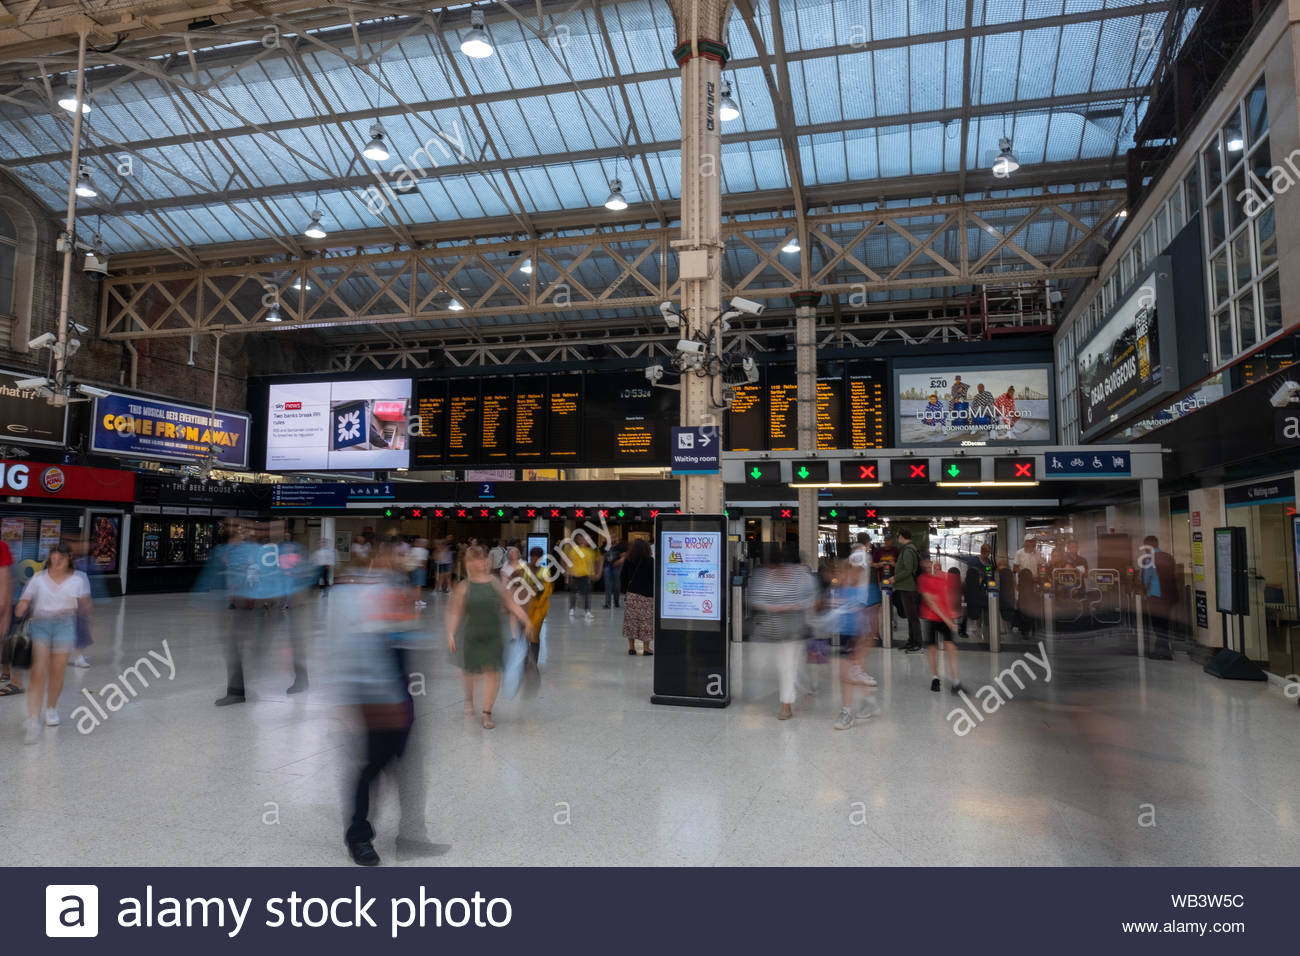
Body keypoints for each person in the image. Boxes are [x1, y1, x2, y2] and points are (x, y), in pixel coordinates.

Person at [330, 540, 431, 866]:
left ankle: (410, 835)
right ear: (378, 559)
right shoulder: (351, 594)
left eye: (401, 557)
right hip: (372, 693)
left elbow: (407, 638)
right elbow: (340, 645)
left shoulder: (398, 591)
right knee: (372, 766)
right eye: (393, 556)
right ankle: (358, 835)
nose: (399, 562)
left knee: (407, 766)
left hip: (400, 692)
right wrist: (343, 696)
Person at [446, 545, 531, 730]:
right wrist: (451, 633)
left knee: (493, 672)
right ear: (469, 562)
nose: (482, 562)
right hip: (472, 636)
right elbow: (456, 612)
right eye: (477, 559)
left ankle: (487, 713)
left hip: (493, 636)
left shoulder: (494, 582)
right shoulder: (464, 586)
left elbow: (510, 603)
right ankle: (469, 698)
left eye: (484, 558)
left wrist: (526, 619)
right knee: (470, 673)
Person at [15, 543, 91, 743]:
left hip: (65, 625)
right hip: (41, 625)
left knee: (57, 671)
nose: (55, 564)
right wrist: (21, 607)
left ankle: (51, 708)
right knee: (38, 671)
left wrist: (83, 616)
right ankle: (33, 719)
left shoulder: (79, 579)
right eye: (53, 560)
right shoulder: (38, 578)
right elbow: (25, 599)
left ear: (69, 560)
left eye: (61, 560)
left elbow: (85, 605)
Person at [748, 544, 817, 720]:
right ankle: (766, 697)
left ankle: (786, 706)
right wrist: (772, 607)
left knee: (788, 668)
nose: (772, 569)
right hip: (767, 631)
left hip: (791, 632)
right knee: (761, 664)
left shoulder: (799, 577)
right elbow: (755, 599)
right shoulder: (764, 576)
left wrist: (790, 607)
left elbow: (810, 600)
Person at [833, 545, 881, 731]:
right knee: (851, 672)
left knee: (848, 674)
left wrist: (864, 643)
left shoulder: (869, 592)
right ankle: (869, 701)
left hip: (856, 636)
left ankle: (847, 712)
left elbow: (873, 624)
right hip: (847, 632)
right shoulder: (847, 585)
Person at [917, 556, 963, 694]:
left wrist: (954, 612)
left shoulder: (946, 576)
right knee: (932, 649)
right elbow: (931, 602)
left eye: (929, 563)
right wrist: (948, 620)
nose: (929, 566)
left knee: (951, 649)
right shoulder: (923, 580)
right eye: (925, 565)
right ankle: (935, 678)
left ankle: (956, 682)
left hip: (945, 617)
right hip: (932, 617)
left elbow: (952, 594)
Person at [521, 547, 553, 693]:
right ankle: (525, 661)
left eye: (537, 557)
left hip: (538, 608)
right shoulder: (525, 569)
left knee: (534, 635)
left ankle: (532, 663)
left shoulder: (545, 571)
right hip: (525, 607)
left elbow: (547, 589)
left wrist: (536, 589)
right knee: (523, 634)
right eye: (532, 556)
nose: (534, 559)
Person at [1141, 536, 1176, 660]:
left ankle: (1162, 652)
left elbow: (1146, 580)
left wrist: (1144, 592)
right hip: (1169, 597)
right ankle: (1163, 650)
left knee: (1157, 625)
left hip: (1156, 597)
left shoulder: (1148, 559)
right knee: (1165, 625)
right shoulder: (1169, 557)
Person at [619, 538, 653, 655]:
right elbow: (653, 578)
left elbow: (623, 577)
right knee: (645, 622)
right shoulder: (650, 561)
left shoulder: (628, 561)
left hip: (632, 594)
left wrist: (625, 590)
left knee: (631, 621)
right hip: (647, 595)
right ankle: (646, 648)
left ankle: (631, 647)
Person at [892, 528, 923, 653]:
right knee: (910, 617)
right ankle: (911, 641)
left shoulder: (908, 550)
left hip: (908, 587)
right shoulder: (908, 549)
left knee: (913, 617)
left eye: (898, 535)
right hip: (906, 586)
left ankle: (917, 642)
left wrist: (895, 578)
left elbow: (909, 569)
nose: (897, 538)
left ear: (902, 536)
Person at [0, 537, 21, 697]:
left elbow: (6, 579)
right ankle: (7, 673)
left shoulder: (2, 547)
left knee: (8, 638)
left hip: (8, 603)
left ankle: (14, 679)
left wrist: (6, 613)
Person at [566, 536, 599, 623]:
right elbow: (570, 561)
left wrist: (592, 573)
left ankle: (587, 610)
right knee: (573, 592)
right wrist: (570, 572)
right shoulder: (574, 550)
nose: (584, 541)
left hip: (585, 575)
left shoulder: (590, 551)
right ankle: (572, 608)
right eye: (582, 539)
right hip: (575, 574)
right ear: (578, 540)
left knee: (587, 593)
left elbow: (591, 564)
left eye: (586, 539)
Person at [602, 536, 627, 609]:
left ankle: (616, 602)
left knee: (617, 586)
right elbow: (602, 557)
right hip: (607, 568)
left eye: (613, 537)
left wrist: (618, 562)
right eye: (610, 537)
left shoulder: (621, 547)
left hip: (617, 568)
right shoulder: (605, 547)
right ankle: (607, 603)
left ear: (617, 539)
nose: (612, 539)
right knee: (607, 586)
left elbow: (623, 557)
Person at [408, 537, 430, 608]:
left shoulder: (412, 549)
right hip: (420, 569)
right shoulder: (424, 551)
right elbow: (423, 562)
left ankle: (414, 600)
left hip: (413, 568)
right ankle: (418, 600)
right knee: (419, 586)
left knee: (414, 585)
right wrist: (425, 569)